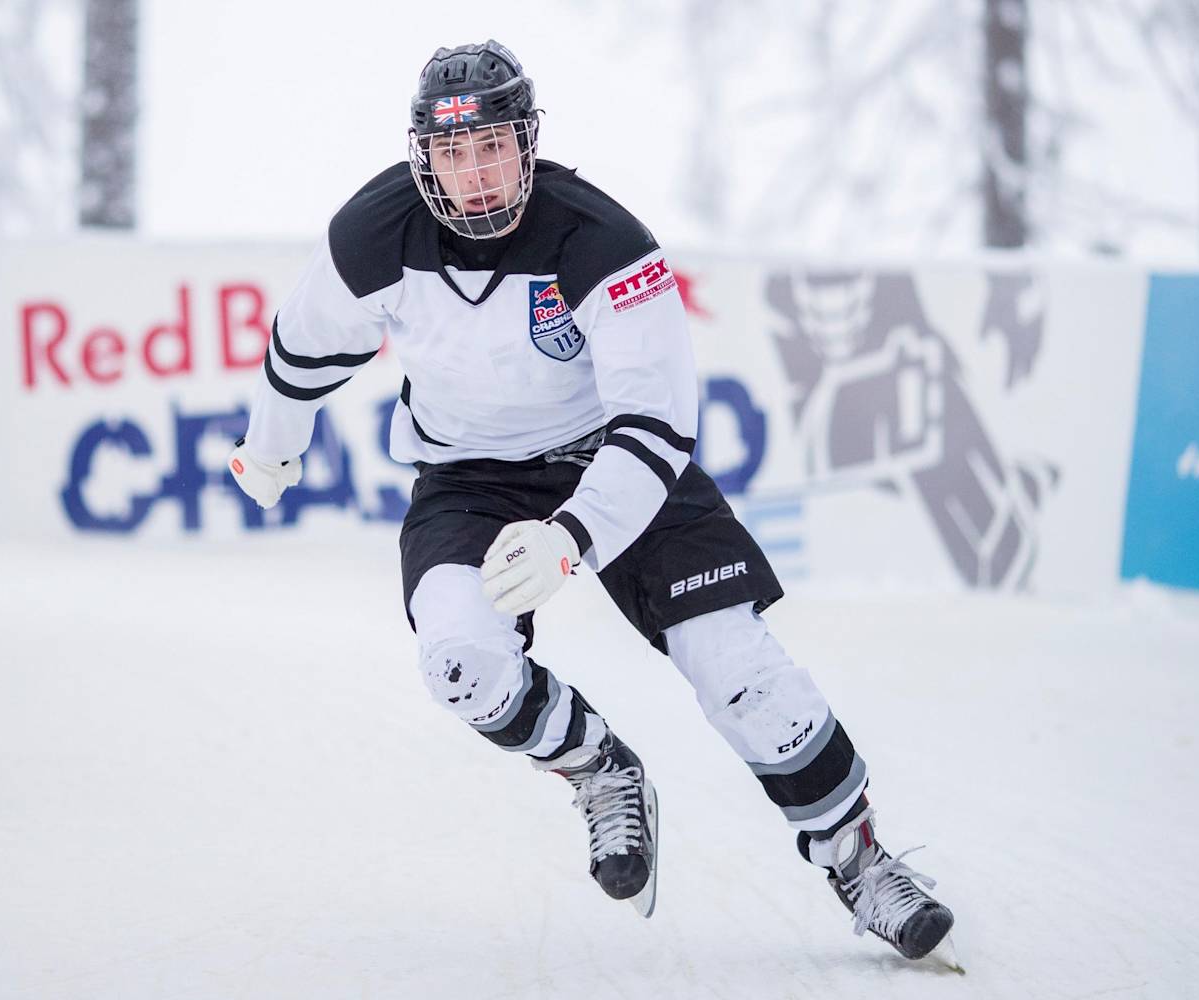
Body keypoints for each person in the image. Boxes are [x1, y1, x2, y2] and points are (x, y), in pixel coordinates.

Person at [228, 39, 956, 962]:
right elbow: (300, 354)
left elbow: (656, 425)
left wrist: (571, 537)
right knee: (456, 661)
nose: (476, 174)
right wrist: (267, 452)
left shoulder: (604, 239)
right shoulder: (372, 233)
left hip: (611, 463)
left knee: (734, 664)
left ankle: (861, 860)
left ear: (527, 143)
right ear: (423, 158)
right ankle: (600, 769)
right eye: (454, 153)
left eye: (493, 147)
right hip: (467, 478)